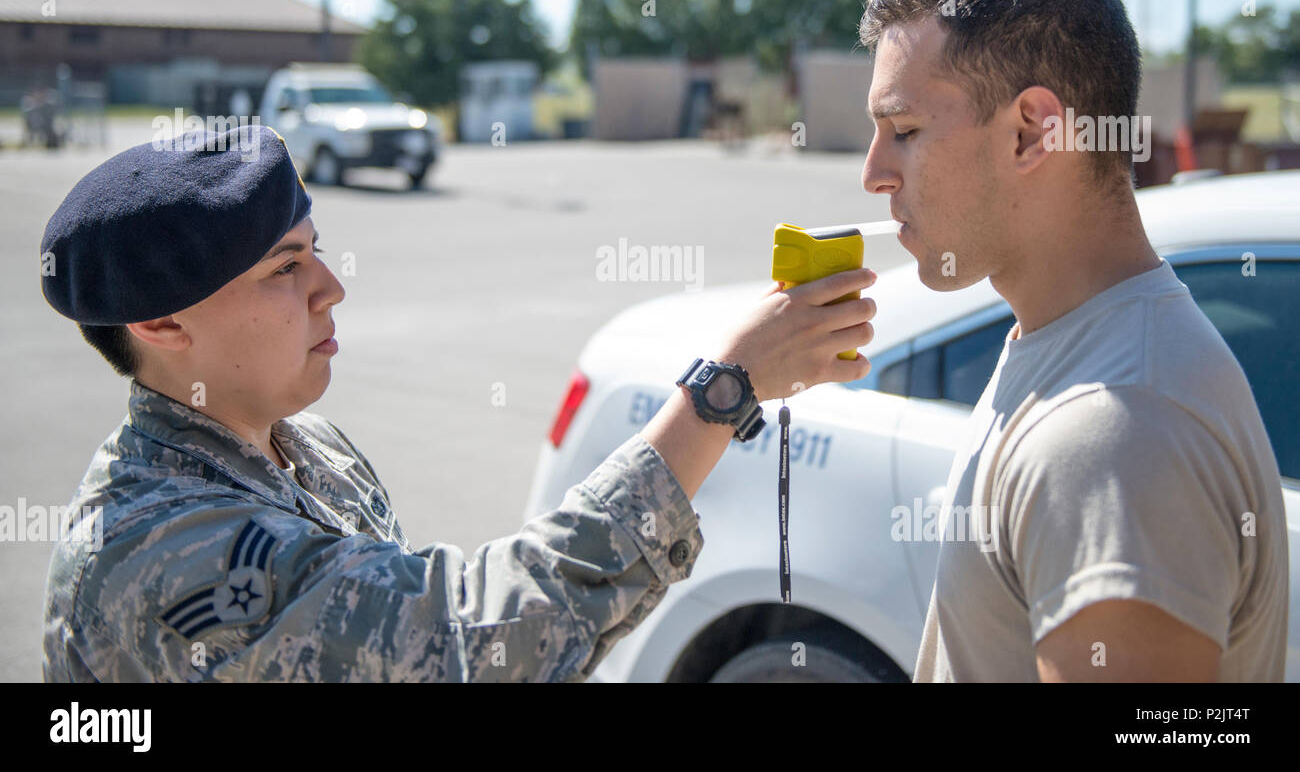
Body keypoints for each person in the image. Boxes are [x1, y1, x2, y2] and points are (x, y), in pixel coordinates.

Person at [39, 124, 877, 682]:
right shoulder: (156, 548)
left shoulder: (308, 446)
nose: (330, 287)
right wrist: (720, 392)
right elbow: (471, 638)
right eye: (284, 269)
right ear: (159, 322)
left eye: (314, 252)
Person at [858, 0, 1287, 682]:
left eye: (904, 131)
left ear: (1032, 130)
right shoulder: (1071, 342)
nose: (874, 173)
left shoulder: (1118, 431)